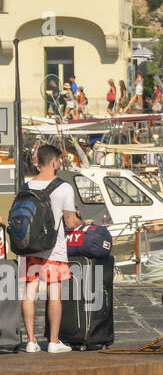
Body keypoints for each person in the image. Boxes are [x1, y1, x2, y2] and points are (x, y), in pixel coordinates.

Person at [21, 144, 82, 354]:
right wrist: (83, 221)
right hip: (53, 250)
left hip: (30, 248)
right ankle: (54, 342)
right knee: (54, 293)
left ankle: (31, 341)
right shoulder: (64, 188)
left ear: (38, 161)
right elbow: (70, 221)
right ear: (55, 162)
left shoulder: (26, 185)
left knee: (29, 293)